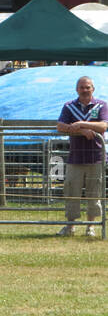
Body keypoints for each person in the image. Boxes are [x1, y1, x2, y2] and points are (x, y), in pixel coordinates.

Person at [55, 76, 106, 237]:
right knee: (71, 191)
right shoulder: (69, 106)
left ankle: (91, 226)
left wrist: (82, 124)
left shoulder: (102, 105)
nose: (85, 90)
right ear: (77, 89)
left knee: (94, 192)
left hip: (96, 157)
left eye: (88, 87)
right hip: (75, 157)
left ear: (93, 89)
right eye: (82, 87)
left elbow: (103, 125)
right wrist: (82, 131)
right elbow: (60, 126)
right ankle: (70, 226)